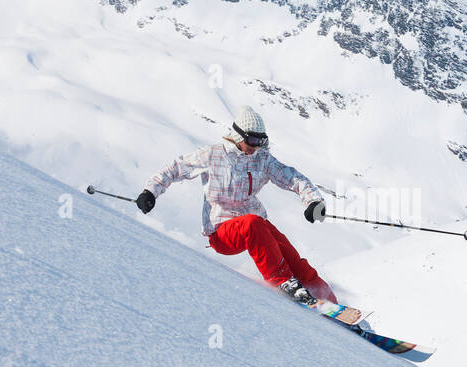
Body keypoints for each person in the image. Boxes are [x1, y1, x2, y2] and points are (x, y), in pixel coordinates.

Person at [136, 106, 336, 304]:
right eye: (252, 140)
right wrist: (150, 192)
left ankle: (330, 301)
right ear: (238, 136)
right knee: (252, 224)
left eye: (261, 141)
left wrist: (313, 201)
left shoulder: (261, 158)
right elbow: (175, 169)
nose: (256, 146)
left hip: (257, 226)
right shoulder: (212, 155)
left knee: (291, 256)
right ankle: (284, 283)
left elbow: (292, 177)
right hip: (221, 231)